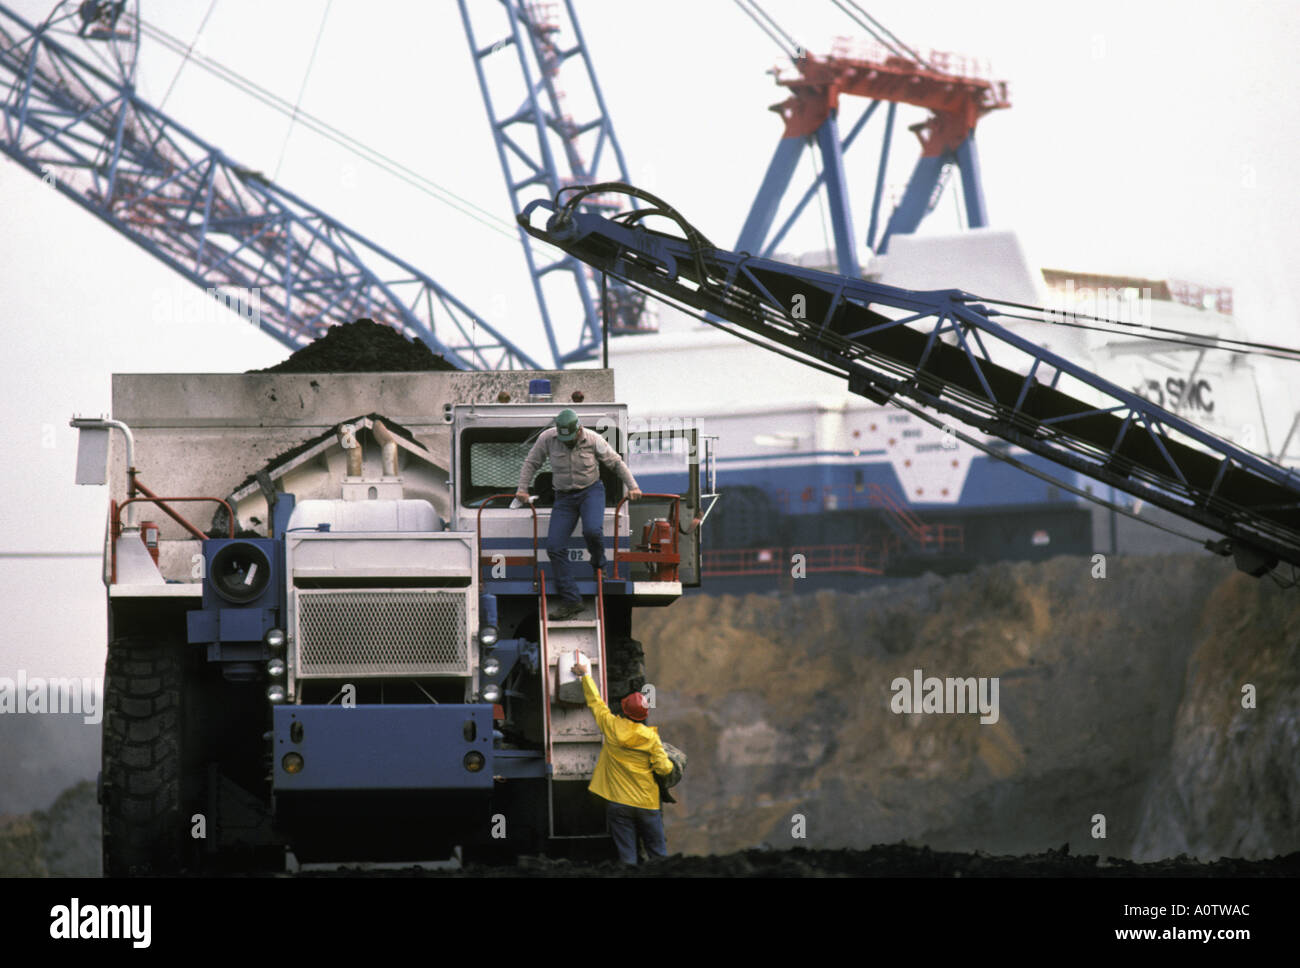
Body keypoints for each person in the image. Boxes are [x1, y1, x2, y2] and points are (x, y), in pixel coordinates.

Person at [516, 409, 641, 621]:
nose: (567, 442)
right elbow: (531, 463)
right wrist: (522, 489)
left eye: (570, 438)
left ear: (579, 429)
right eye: (563, 438)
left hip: (591, 491)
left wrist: (633, 487)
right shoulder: (547, 438)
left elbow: (616, 462)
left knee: (592, 530)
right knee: (554, 547)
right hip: (563, 497)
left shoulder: (594, 439)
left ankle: (599, 566)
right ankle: (572, 600)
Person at [571, 653, 673, 865]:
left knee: (627, 859)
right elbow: (664, 769)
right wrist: (671, 763)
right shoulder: (651, 738)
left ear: (624, 710)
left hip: (619, 804)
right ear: (644, 713)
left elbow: (595, 702)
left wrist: (585, 676)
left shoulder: (611, 727)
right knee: (659, 856)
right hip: (647, 804)